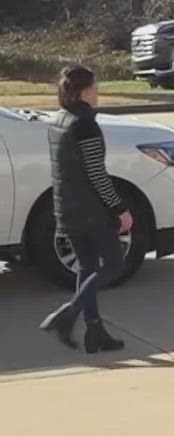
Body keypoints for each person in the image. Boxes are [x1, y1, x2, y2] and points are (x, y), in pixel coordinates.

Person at [39, 66, 130, 355]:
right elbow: (96, 174)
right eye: (95, 87)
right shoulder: (84, 125)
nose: (98, 92)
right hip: (90, 212)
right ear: (85, 92)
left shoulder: (60, 120)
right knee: (113, 265)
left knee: (88, 267)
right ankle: (67, 315)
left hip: (66, 208)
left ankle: (94, 333)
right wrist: (120, 208)